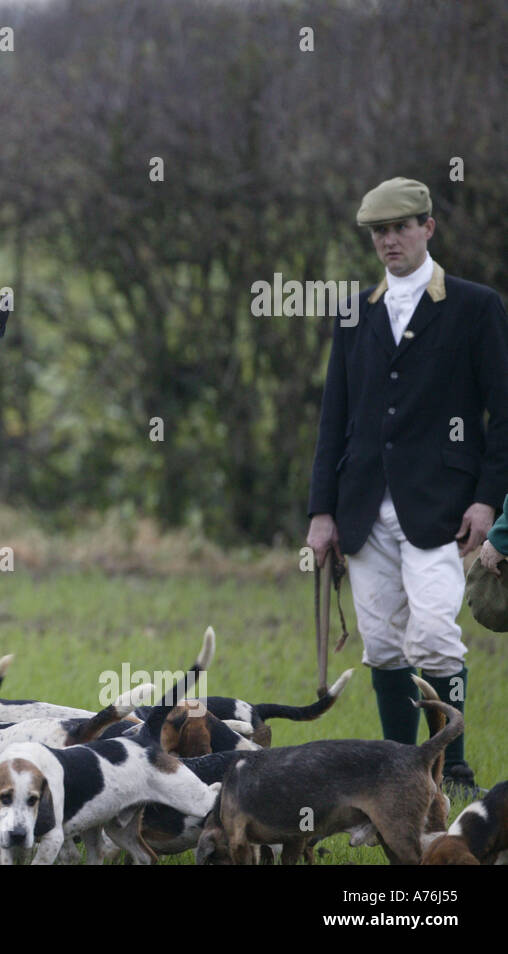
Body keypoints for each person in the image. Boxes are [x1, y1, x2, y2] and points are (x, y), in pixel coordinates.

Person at [307, 177, 508, 795]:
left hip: (442, 509)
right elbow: (333, 416)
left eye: (400, 228)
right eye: (379, 232)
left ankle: (458, 767)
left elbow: (503, 413)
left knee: (435, 636)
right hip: (362, 506)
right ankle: (400, 773)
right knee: (384, 644)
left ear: (428, 227)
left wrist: (487, 498)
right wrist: (321, 513)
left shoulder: (476, 306)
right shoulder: (355, 311)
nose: (389, 241)